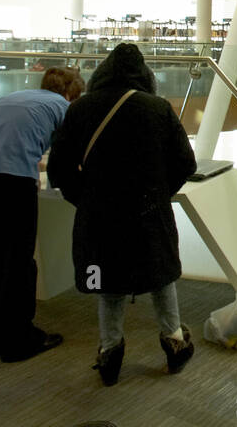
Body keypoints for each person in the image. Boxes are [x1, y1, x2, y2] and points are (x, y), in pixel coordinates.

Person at [47, 43, 197, 387]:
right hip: (147, 211)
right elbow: (186, 163)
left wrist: (85, 198)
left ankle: (110, 352)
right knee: (160, 275)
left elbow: (60, 169)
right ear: (145, 74)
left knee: (107, 281)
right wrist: (158, 193)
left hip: (100, 212)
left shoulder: (81, 109)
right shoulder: (158, 108)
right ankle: (174, 342)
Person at [0, 67, 84, 362]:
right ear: (71, 94)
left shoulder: (11, 98)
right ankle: (18, 343)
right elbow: (68, 158)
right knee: (18, 266)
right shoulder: (64, 107)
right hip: (10, 187)